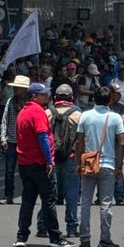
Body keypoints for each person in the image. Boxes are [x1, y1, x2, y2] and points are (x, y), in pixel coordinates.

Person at [13, 83, 71, 247]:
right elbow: (43, 137)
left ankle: (21, 236)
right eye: (43, 94)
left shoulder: (23, 112)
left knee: (28, 200)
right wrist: (49, 160)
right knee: (49, 201)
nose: (46, 97)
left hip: (25, 163)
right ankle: (55, 237)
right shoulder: (37, 112)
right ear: (34, 96)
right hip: (39, 163)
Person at [76, 85, 124, 247]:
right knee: (105, 204)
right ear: (109, 100)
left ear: (94, 99)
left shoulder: (85, 116)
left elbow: (80, 141)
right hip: (108, 164)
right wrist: (119, 166)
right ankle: (105, 239)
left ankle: (85, 239)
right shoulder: (115, 117)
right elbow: (122, 142)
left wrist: (78, 162)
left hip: (89, 163)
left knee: (85, 203)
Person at [47, 84, 81, 238]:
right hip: (71, 157)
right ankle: (72, 227)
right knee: (72, 194)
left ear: (55, 97)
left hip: (51, 157)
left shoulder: (47, 113)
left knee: (49, 193)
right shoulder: (78, 114)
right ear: (71, 98)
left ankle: (43, 224)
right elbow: (82, 138)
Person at [0, 74, 30, 205]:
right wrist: (3, 138)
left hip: (26, 141)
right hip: (11, 140)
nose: (16, 89)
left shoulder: (31, 103)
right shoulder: (11, 101)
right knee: (9, 170)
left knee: (27, 171)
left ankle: (28, 195)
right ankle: (8, 195)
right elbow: (5, 120)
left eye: (19, 87)